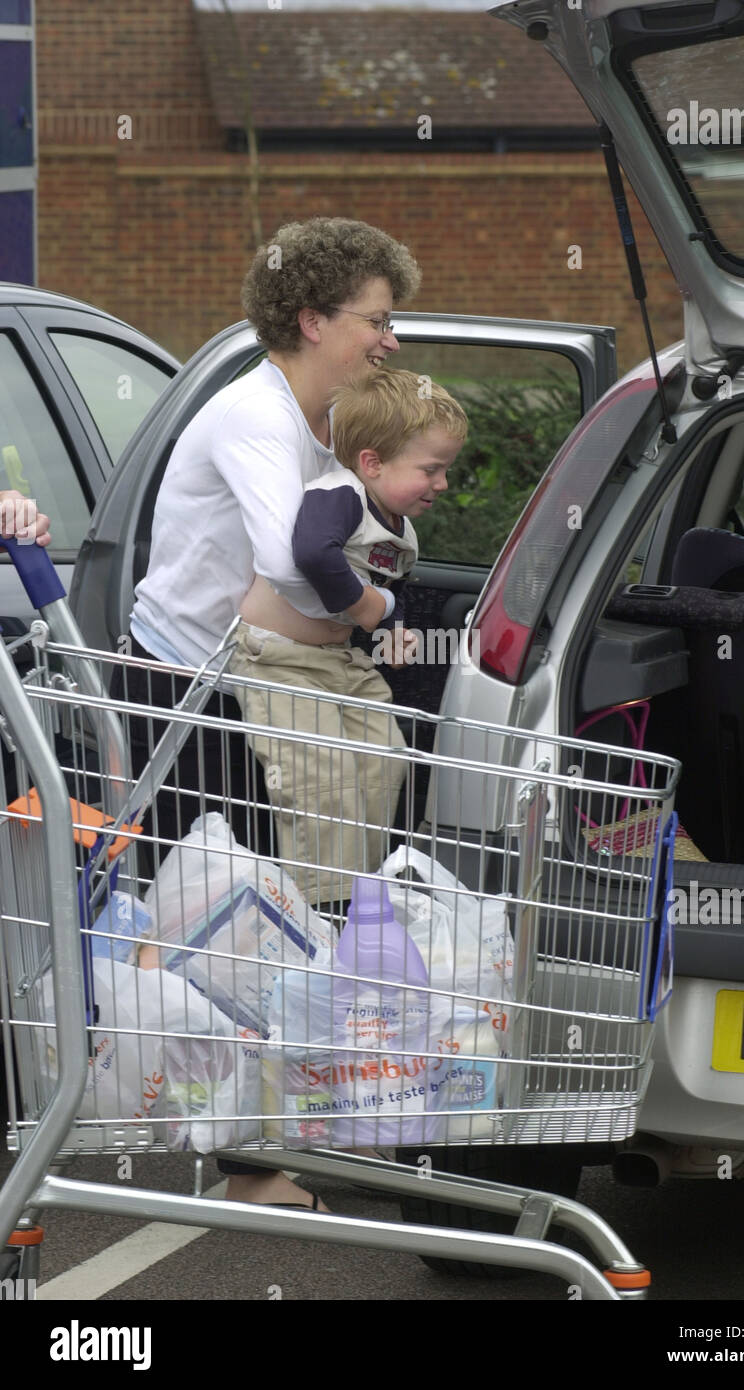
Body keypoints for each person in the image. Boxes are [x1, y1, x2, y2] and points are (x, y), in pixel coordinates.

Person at [126, 217, 421, 1211]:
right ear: (313, 317)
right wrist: (378, 611)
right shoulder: (257, 417)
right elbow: (298, 558)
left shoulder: (318, 423)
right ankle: (243, 1159)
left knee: (264, 913)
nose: (391, 338)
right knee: (221, 919)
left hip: (249, 684)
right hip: (187, 694)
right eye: (377, 319)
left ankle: (257, 1141)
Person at [234, 369, 467, 907]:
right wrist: (367, 607)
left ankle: (362, 888)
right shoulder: (339, 495)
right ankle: (324, 908)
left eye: (446, 470)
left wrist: (394, 625)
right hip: (281, 661)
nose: (443, 484)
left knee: (384, 758)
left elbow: (385, 588)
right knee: (322, 782)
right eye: (431, 470)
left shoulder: (398, 527)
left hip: (340, 661)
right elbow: (313, 554)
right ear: (371, 463)